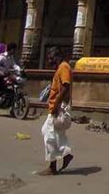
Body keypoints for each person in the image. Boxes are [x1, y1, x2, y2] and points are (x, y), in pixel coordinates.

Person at [40, 46, 73, 175]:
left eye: (51, 58)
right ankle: (66, 154)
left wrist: (56, 105)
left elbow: (65, 86)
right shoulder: (61, 68)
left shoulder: (63, 67)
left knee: (48, 134)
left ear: (57, 57)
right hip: (59, 105)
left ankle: (52, 166)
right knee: (56, 134)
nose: (50, 61)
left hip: (59, 106)